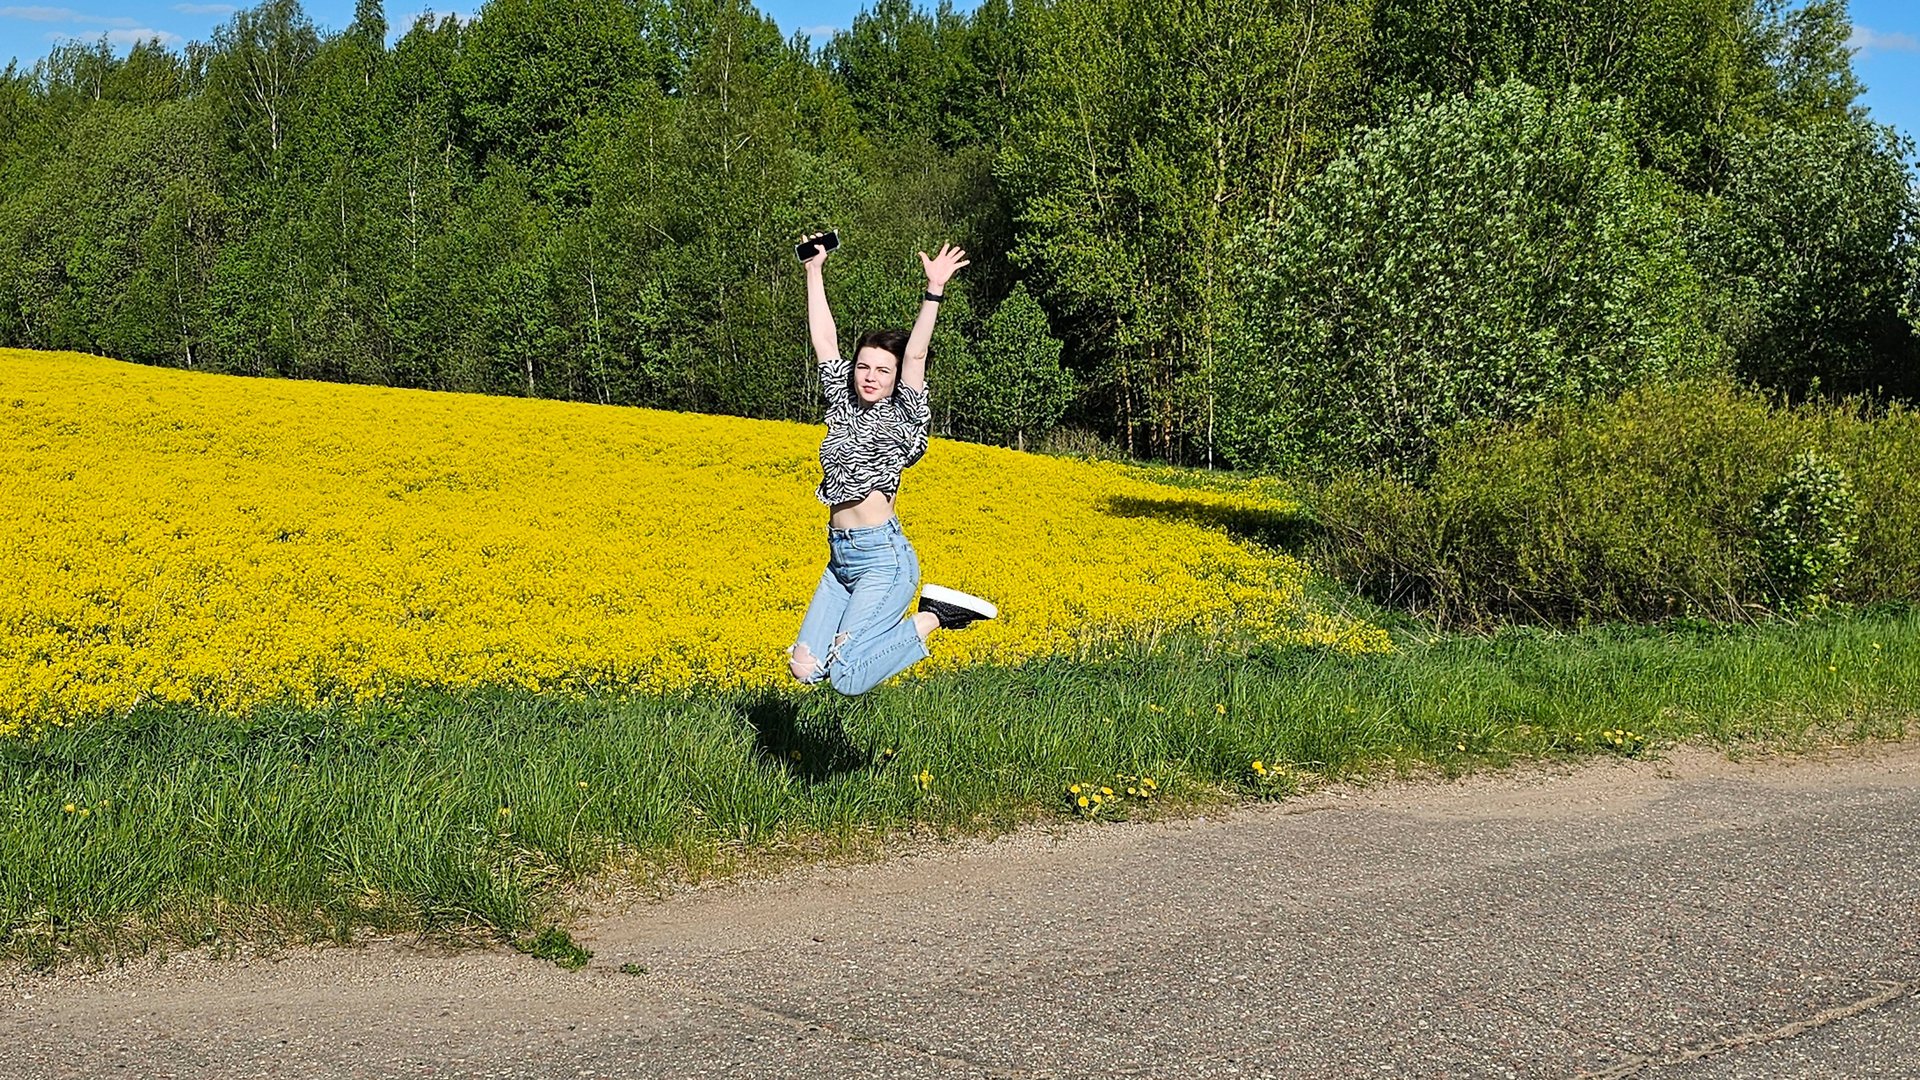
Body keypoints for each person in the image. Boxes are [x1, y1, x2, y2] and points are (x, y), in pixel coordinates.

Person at [786, 232, 998, 695]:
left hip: (882, 558)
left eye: (883, 370)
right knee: (805, 668)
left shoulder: (905, 411)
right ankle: (911, 624)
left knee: (846, 675)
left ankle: (936, 616)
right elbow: (824, 339)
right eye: (864, 367)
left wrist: (934, 290)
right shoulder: (842, 400)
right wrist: (814, 272)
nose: (870, 377)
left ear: (897, 377)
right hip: (840, 557)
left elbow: (917, 352)